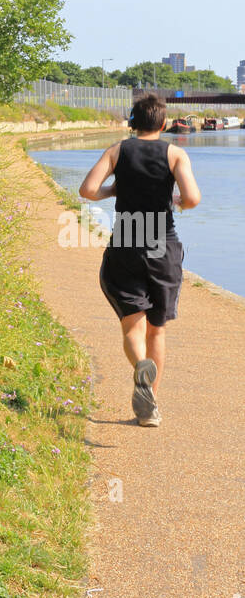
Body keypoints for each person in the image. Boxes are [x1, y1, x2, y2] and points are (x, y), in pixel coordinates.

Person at [78, 93, 201, 427]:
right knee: (156, 331)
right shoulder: (175, 153)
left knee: (132, 322)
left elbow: (87, 190)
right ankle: (150, 408)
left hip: (126, 244)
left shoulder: (118, 150)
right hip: (163, 246)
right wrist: (177, 201)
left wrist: (113, 191)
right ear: (162, 124)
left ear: (132, 123)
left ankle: (139, 366)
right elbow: (192, 198)